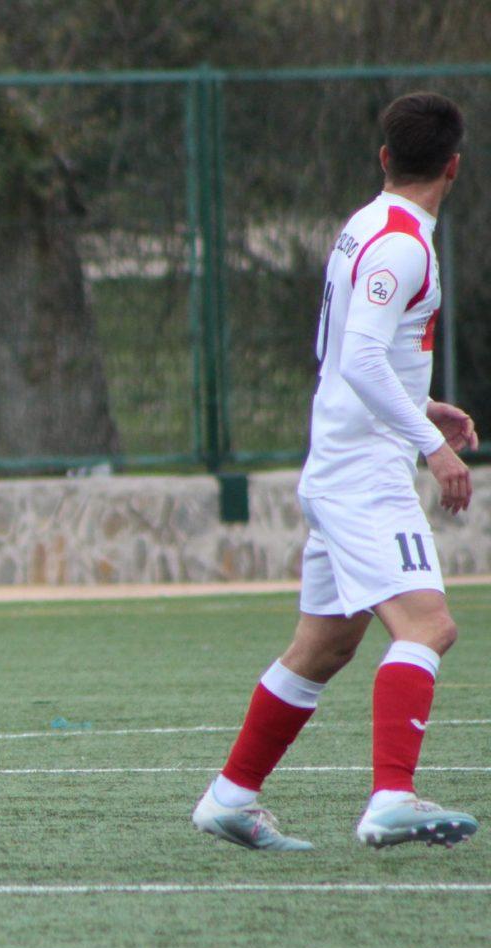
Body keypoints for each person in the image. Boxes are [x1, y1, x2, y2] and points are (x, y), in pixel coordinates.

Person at [193, 92, 478, 850]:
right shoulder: (403, 244)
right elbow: (355, 355)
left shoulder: (366, 224)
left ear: (385, 157)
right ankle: (392, 797)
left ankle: (230, 795)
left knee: (324, 645)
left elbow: (357, 351)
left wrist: (425, 405)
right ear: (453, 166)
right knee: (428, 625)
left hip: (340, 459)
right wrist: (431, 443)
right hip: (362, 472)